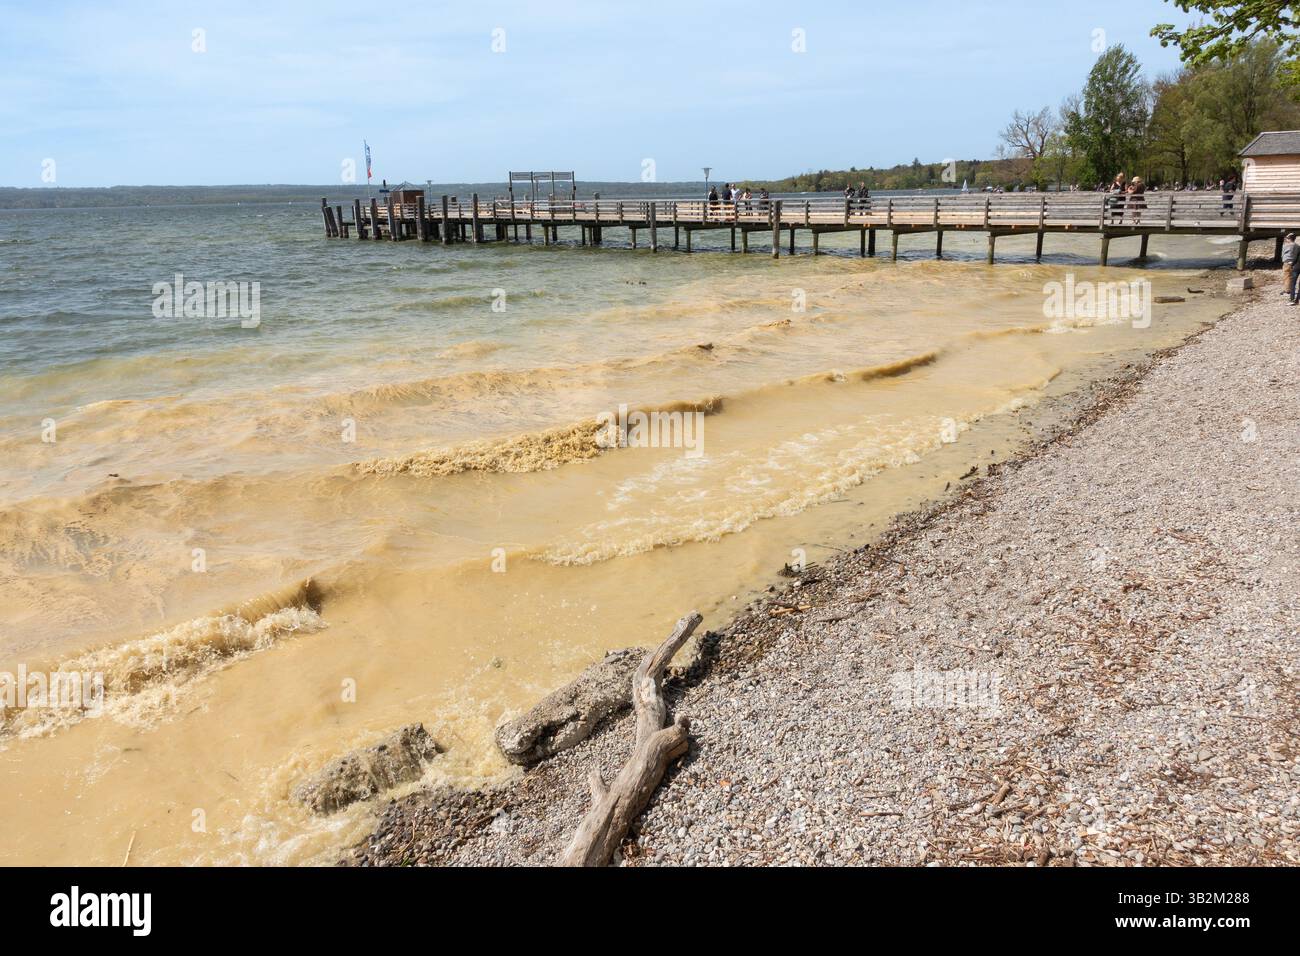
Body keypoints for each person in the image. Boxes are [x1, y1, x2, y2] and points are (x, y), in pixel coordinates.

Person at [1284, 233, 1300, 303]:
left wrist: (1292, 263)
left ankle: (1292, 299)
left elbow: (1296, 258)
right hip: (1296, 265)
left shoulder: (1293, 246)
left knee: (1293, 282)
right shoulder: (1297, 246)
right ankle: (1296, 300)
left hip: (1296, 266)